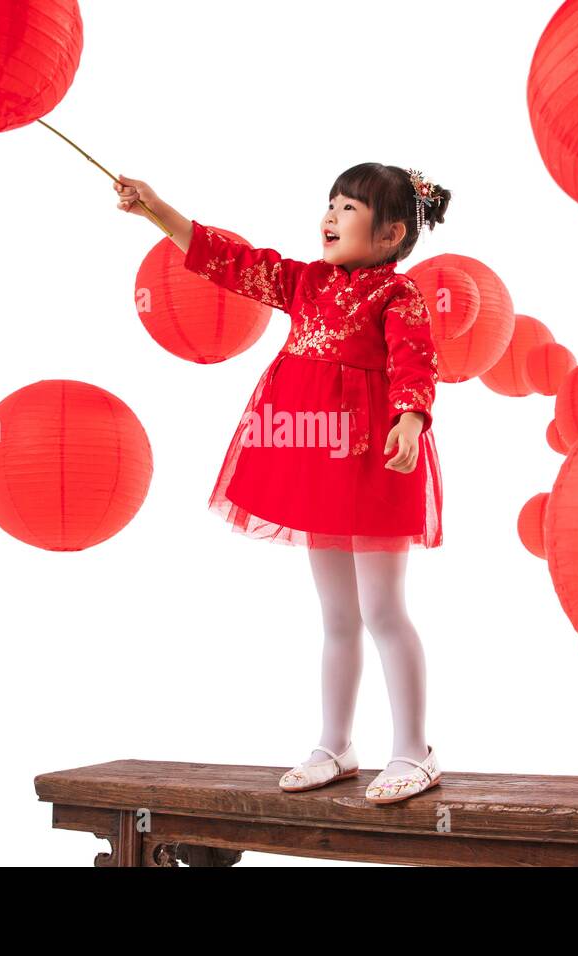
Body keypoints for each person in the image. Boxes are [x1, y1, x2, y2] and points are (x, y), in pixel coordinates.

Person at [114, 163, 450, 805]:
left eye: (349, 208)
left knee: (383, 610)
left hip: (375, 460)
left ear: (391, 234)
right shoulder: (303, 281)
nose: (331, 214)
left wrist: (409, 422)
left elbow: (416, 361)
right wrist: (157, 211)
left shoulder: (397, 295)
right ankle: (336, 742)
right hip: (315, 459)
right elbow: (231, 261)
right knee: (337, 615)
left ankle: (414, 748)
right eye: (331, 202)